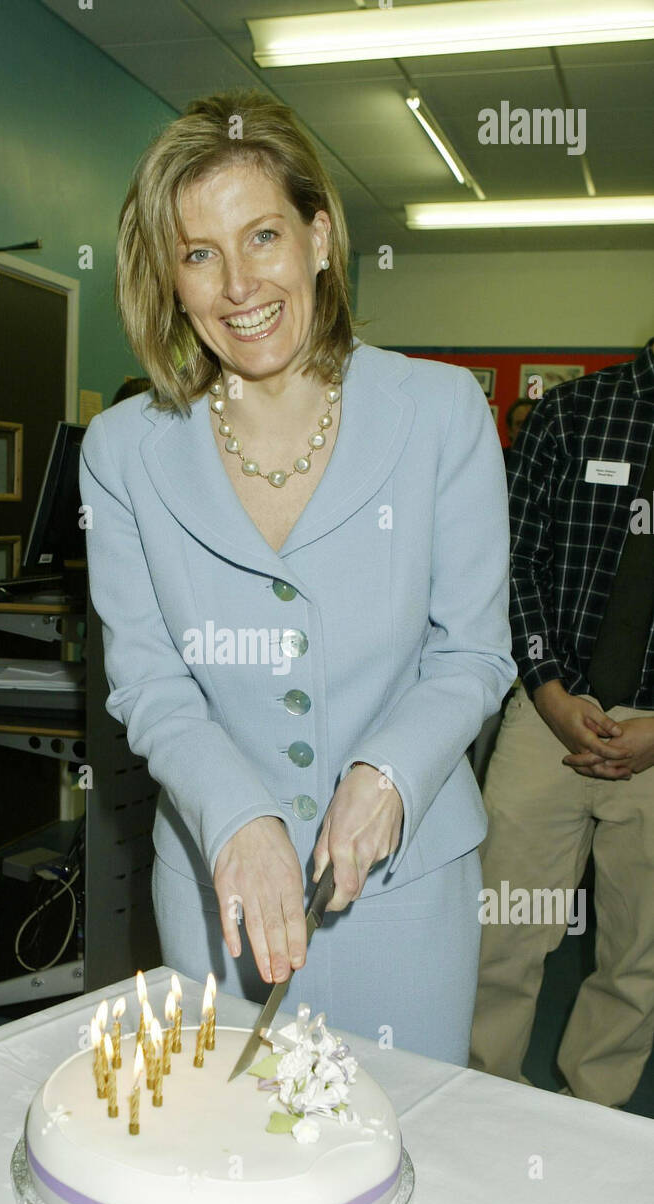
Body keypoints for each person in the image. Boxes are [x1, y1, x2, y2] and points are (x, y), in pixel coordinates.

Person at [79, 88, 516, 1062]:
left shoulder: (444, 414)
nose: (238, 284)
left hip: (406, 887)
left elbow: (475, 652)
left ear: (320, 237)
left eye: (263, 236)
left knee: (397, 1160)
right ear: (172, 281)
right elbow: (150, 685)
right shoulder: (121, 453)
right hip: (216, 887)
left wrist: (387, 774)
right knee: (225, 1157)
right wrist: (238, 816)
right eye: (199, 254)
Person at [470, 340, 654, 1106]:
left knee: (637, 957)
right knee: (503, 934)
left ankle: (595, 1122)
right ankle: (480, 1104)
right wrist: (546, 689)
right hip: (549, 717)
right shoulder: (571, 413)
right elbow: (515, 560)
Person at [502, 396, 533, 471]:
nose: (525, 429)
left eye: (531, 423)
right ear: (510, 430)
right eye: (519, 424)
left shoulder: (549, 462)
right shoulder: (498, 460)